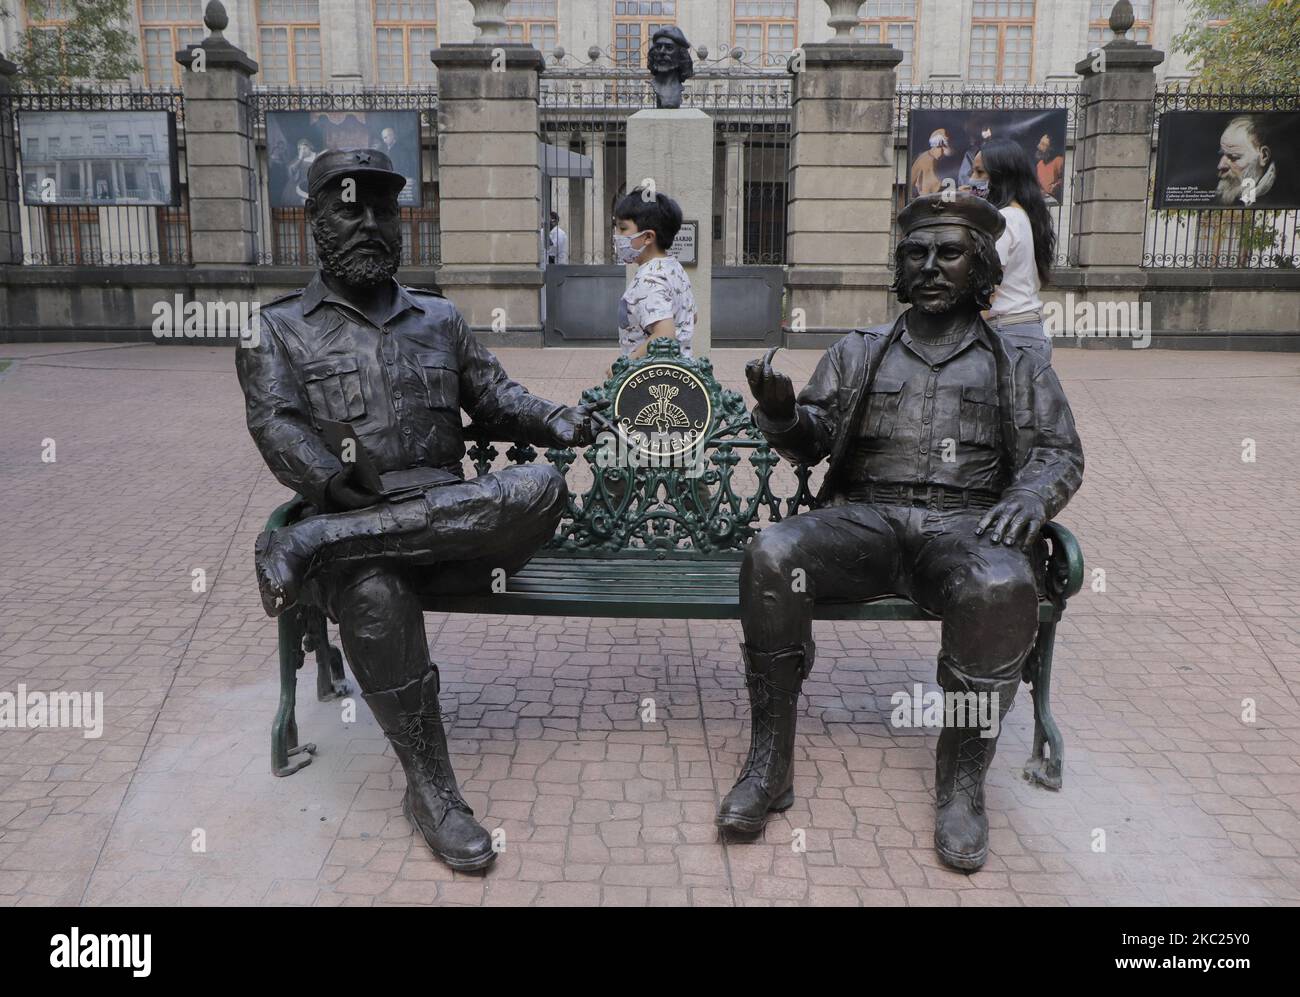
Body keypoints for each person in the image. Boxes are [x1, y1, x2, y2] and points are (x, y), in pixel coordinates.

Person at [237, 149, 605, 872]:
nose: (372, 223)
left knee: (540, 487)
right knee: (373, 592)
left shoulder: (439, 317)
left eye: (384, 209)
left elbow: (497, 399)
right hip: (364, 518)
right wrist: (325, 479)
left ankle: (317, 544)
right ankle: (432, 788)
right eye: (352, 207)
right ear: (314, 221)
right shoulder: (275, 328)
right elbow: (276, 425)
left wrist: (561, 419)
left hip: (455, 526)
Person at [720, 193, 1084, 872]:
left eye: (948, 254)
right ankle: (769, 762)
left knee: (1002, 580)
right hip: (867, 521)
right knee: (772, 552)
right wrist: (782, 415)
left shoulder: (1019, 363)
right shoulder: (859, 351)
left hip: (963, 530)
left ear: (980, 269)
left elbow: (1059, 453)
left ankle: (962, 782)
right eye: (916, 253)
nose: (929, 267)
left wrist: (1032, 494)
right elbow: (813, 444)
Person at [967, 137, 1057, 360]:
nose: (972, 180)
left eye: (980, 173)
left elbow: (987, 289)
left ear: (1001, 176)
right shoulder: (1024, 215)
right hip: (1026, 330)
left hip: (1009, 334)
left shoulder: (1003, 220)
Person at [613, 187, 697, 360]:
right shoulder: (674, 268)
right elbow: (692, 316)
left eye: (622, 228)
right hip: (680, 374)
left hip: (650, 379)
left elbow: (664, 335)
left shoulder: (649, 278)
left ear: (648, 237)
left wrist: (623, 367)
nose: (616, 235)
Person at [910, 128, 951, 197]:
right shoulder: (928, 160)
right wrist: (957, 190)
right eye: (948, 141)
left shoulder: (929, 157)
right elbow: (933, 189)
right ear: (942, 145)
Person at [1034, 133, 1065, 203]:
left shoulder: (1059, 161)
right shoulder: (1039, 164)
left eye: (1043, 144)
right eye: (1040, 143)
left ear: (1050, 148)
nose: (1038, 146)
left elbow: (1064, 181)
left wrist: (1056, 186)